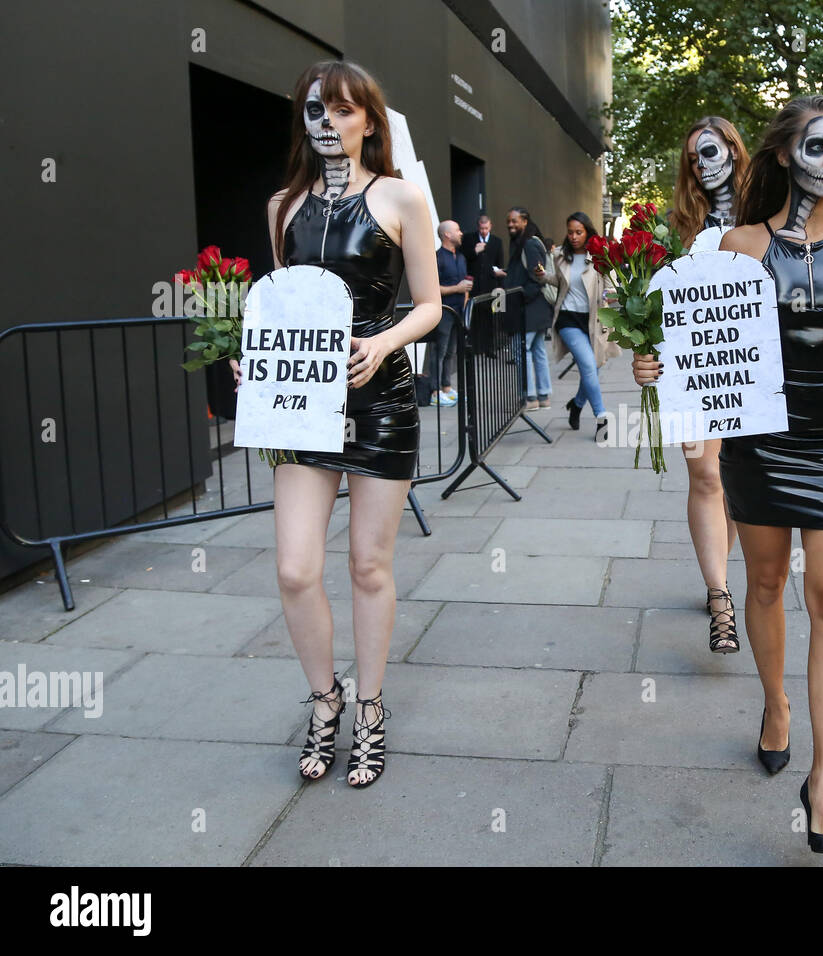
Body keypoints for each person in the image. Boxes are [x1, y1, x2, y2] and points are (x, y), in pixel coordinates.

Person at [644, 95, 823, 853]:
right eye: (820, 146)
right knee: (762, 582)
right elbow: (701, 347)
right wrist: (657, 367)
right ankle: (776, 703)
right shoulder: (738, 245)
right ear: (785, 154)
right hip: (760, 437)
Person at [228, 60, 442, 788]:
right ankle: (326, 701)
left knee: (368, 565)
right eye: (316, 109)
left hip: (381, 401)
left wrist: (383, 342)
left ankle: (371, 709)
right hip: (304, 404)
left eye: (344, 110)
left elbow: (430, 304)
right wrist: (258, 361)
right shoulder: (282, 206)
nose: (328, 121)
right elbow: (284, 302)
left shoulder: (401, 197)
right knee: (295, 568)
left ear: (369, 121)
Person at [632, 116, 751, 654]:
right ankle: (721, 596)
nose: (702, 165)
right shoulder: (676, 229)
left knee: (736, 481)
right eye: (693, 159)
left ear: (734, 150)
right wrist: (643, 354)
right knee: (705, 476)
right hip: (690, 371)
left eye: (710, 152)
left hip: (749, 370)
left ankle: (716, 571)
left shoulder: (769, 217)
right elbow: (651, 307)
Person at [545, 212, 620, 441]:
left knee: (593, 369)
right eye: (570, 232)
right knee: (588, 365)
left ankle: (576, 404)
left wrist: (609, 294)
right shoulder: (560, 255)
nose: (574, 236)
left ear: (587, 232)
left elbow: (611, 285)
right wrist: (543, 276)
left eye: (579, 232)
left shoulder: (600, 255)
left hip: (593, 320)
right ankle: (601, 418)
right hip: (568, 319)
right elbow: (559, 282)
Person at [505, 206, 553, 409]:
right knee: (537, 350)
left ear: (525, 221)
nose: (510, 224)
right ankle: (542, 396)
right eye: (508, 221)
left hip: (530, 308)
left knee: (521, 350)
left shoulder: (529, 244)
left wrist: (521, 295)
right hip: (535, 308)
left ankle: (530, 397)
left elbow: (537, 277)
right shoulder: (524, 242)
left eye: (514, 221)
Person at [428, 219, 472, 406]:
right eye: (457, 230)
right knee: (439, 351)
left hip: (458, 312)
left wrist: (465, 298)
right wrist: (457, 288)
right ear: (447, 234)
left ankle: (446, 387)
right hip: (443, 311)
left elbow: (465, 284)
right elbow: (431, 288)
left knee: (451, 351)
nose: (461, 233)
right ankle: (435, 392)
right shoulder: (437, 258)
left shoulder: (461, 257)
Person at [463, 212, 506, 292]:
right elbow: (463, 257)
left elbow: (500, 263)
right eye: (481, 228)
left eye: (486, 228)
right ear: (478, 227)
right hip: (474, 283)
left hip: (490, 283)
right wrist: (475, 251)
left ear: (490, 226)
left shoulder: (497, 241)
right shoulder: (468, 238)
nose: (484, 231)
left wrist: (501, 285)